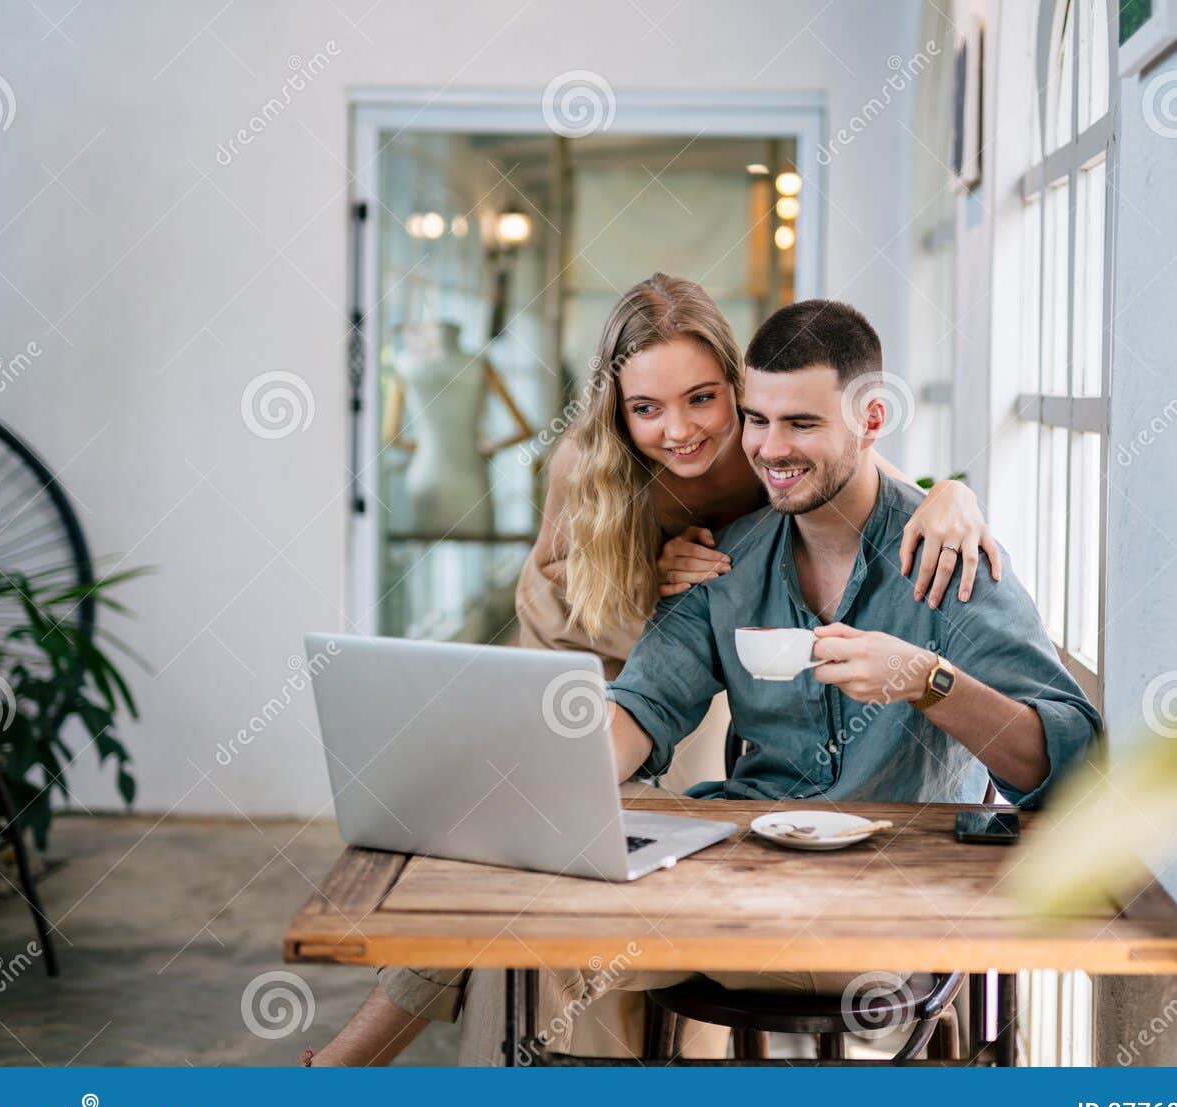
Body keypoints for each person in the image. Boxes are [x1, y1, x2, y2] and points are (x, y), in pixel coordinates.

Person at [305, 277, 1008, 1065]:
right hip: (583, 647)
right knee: (525, 857)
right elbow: (556, 581)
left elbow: (858, 466)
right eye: (646, 409)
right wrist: (647, 572)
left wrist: (957, 494)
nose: (679, 430)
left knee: (605, 887)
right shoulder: (589, 463)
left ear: (737, 389)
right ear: (617, 409)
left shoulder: (767, 450)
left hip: (690, 657)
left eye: (703, 399)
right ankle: (371, 1063)